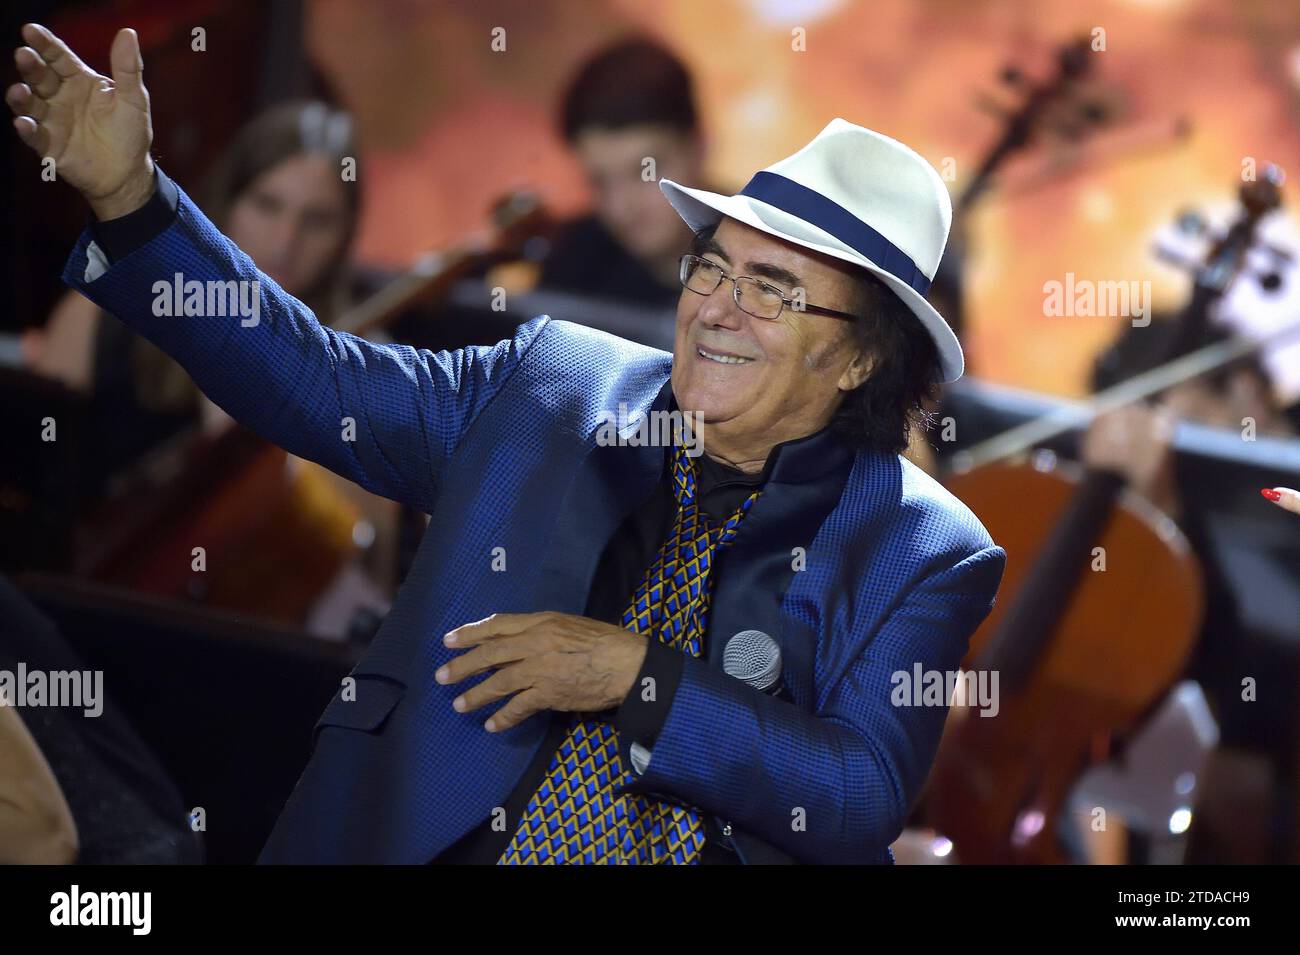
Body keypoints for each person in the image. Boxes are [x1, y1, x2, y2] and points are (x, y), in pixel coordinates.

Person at [8, 23, 1004, 864]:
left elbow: (859, 794)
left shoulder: (923, 546)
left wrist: (636, 678)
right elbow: (313, 379)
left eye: (773, 291)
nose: (716, 307)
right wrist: (134, 203)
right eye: (713, 267)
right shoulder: (549, 384)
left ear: (861, 356)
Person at [538, 37, 709, 310]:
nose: (621, 206)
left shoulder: (768, 253)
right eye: (600, 182)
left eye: (643, 171)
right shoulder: (567, 264)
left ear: (698, 147)